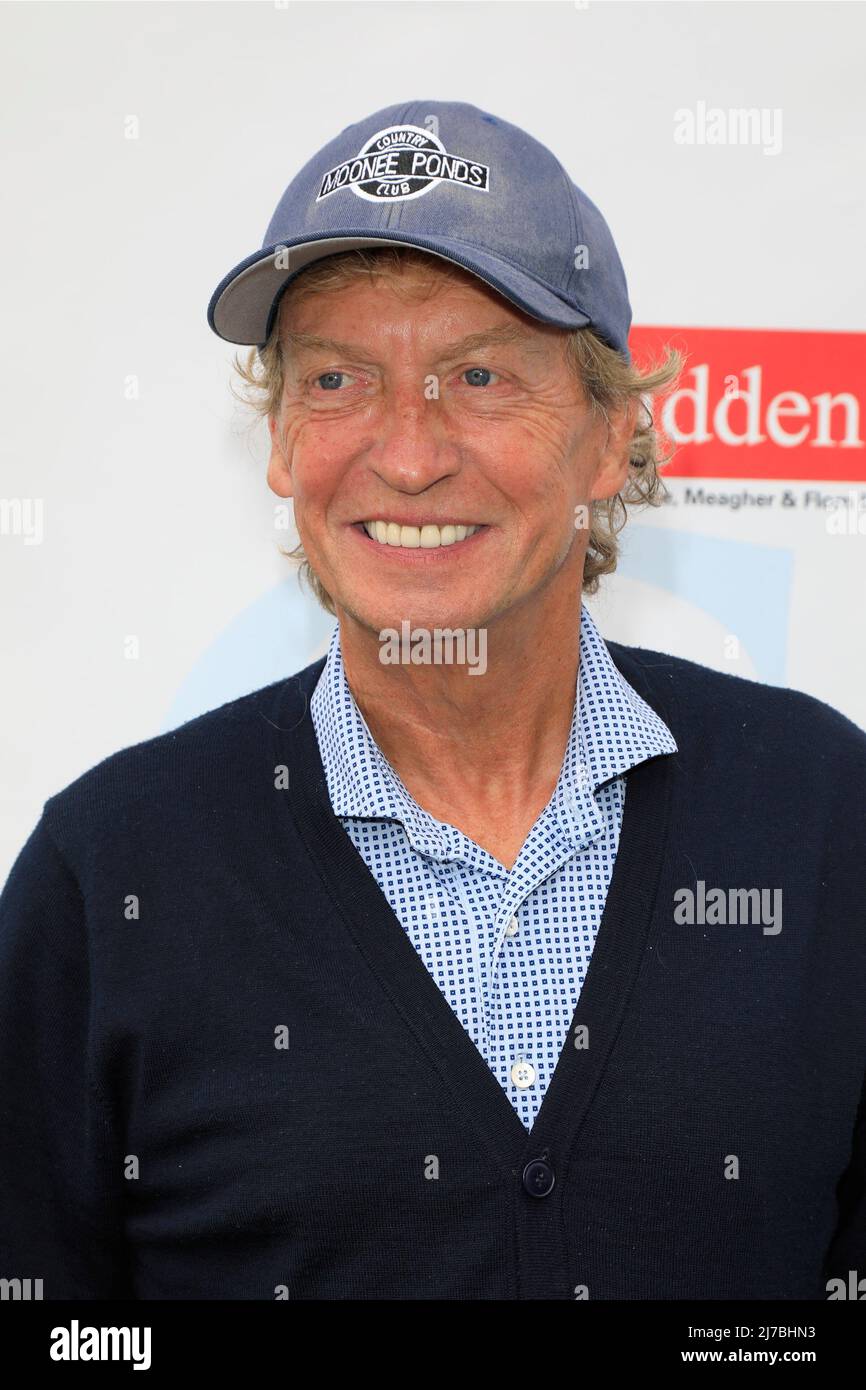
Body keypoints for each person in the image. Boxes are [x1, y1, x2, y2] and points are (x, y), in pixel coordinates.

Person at [1, 100, 864, 1301]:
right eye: (338, 378)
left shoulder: (823, 818)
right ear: (279, 441)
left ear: (610, 437)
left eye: (478, 374)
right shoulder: (109, 876)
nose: (406, 455)